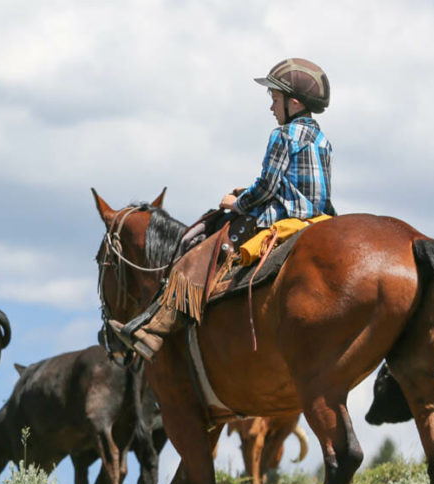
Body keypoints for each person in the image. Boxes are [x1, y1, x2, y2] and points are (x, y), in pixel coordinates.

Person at [109, 57, 334, 361]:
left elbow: (268, 187)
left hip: (281, 221)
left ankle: (155, 330)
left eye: (275, 99)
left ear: (293, 104)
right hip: (317, 220)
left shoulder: (282, 135)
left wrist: (236, 202)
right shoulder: (322, 139)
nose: (271, 108)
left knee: (200, 251)